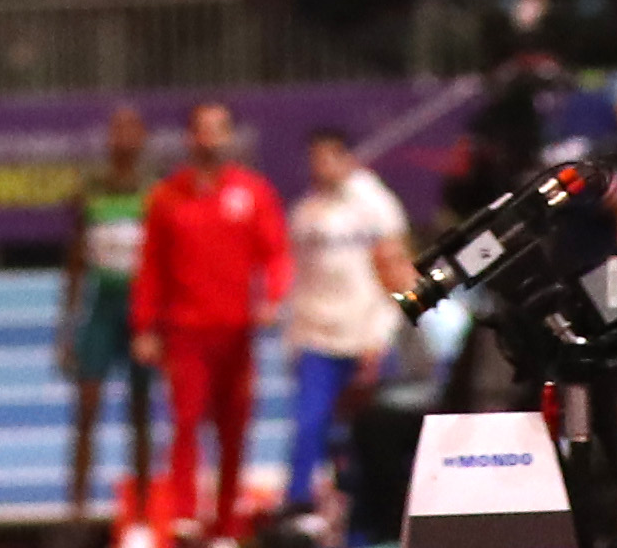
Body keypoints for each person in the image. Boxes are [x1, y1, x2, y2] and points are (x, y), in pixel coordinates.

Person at [134, 101, 288, 548]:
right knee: (184, 422)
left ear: (229, 136)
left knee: (234, 427)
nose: (210, 139)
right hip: (186, 331)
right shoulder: (166, 198)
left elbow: (275, 253)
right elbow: (151, 269)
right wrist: (145, 326)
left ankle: (226, 524)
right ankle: (185, 515)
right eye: (203, 130)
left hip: (237, 333)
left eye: (218, 130)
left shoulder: (252, 192)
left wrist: (273, 298)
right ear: (189, 137)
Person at [278, 128, 413, 529]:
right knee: (309, 423)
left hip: (365, 336)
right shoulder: (304, 214)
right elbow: (298, 281)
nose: (320, 166)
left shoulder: (378, 206)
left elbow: (396, 273)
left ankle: (374, 514)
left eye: (328, 157)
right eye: (314, 158)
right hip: (318, 337)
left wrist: (381, 335)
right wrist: (294, 337)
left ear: (348, 158)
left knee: (370, 434)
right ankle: (300, 508)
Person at [58, 106, 159, 529]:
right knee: (86, 406)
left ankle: (140, 510)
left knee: (140, 409)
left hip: (141, 308)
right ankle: (77, 509)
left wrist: (161, 323)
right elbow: (76, 261)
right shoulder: (90, 191)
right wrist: (66, 327)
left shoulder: (157, 193)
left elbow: (165, 260)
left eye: (131, 130)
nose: (123, 139)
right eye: (115, 130)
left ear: (142, 140)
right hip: (101, 305)